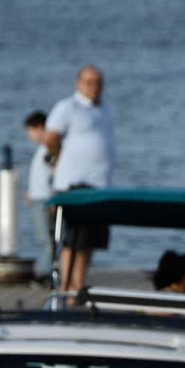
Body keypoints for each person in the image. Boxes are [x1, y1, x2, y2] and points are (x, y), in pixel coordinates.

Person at [43, 66, 116, 294]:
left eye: (98, 82)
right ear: (78, 83)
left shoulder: (104, 109)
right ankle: (67, 287)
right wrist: (60, 157)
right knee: (73, 239)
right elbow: (51, 137)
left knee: (91, 241)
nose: (94, 87)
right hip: (74, 183)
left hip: (100, 183)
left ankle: (78, 283)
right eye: (89, 82)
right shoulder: (68, 107)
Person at [22, 109, 55, 271]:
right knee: (45, 238)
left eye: (31, 131)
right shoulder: (43, 149)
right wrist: (31, 192)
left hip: (45, 200)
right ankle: (47, 270)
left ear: (40, 127)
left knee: (47, 240)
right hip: (38, 197)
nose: (29, 136)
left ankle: (44, 273)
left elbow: (55, 173)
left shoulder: (49, 149)